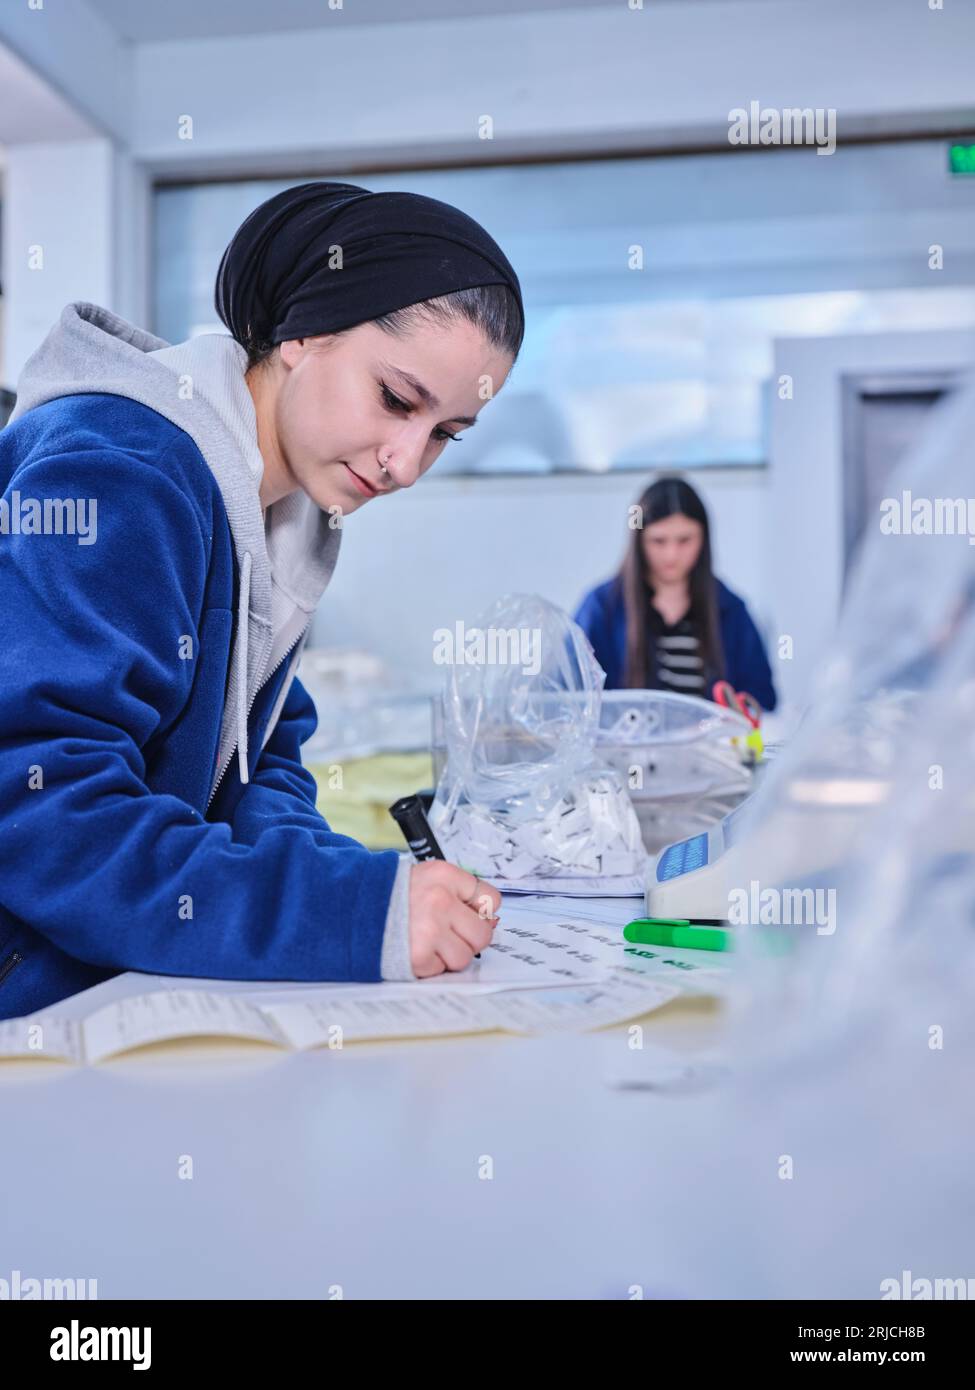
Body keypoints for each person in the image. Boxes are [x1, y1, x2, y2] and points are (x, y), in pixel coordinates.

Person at [0, 181, 520, 1020]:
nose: (405, 463)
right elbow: (39, 811)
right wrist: (344, 915)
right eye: (396, 399)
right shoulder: (126, 473)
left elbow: (260, 767)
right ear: (302, 331)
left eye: (443, 435)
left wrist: (361, 889)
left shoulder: (278, 516)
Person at [573, 476, 776, 708]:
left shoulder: (731, 610)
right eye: (658, 541)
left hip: (712, 745)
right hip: (625, 745)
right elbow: (572, 696)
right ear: (638, 539)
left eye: (685, 540)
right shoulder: (602, 608)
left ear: (703, 537)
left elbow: (762, 698)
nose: (672, 554)